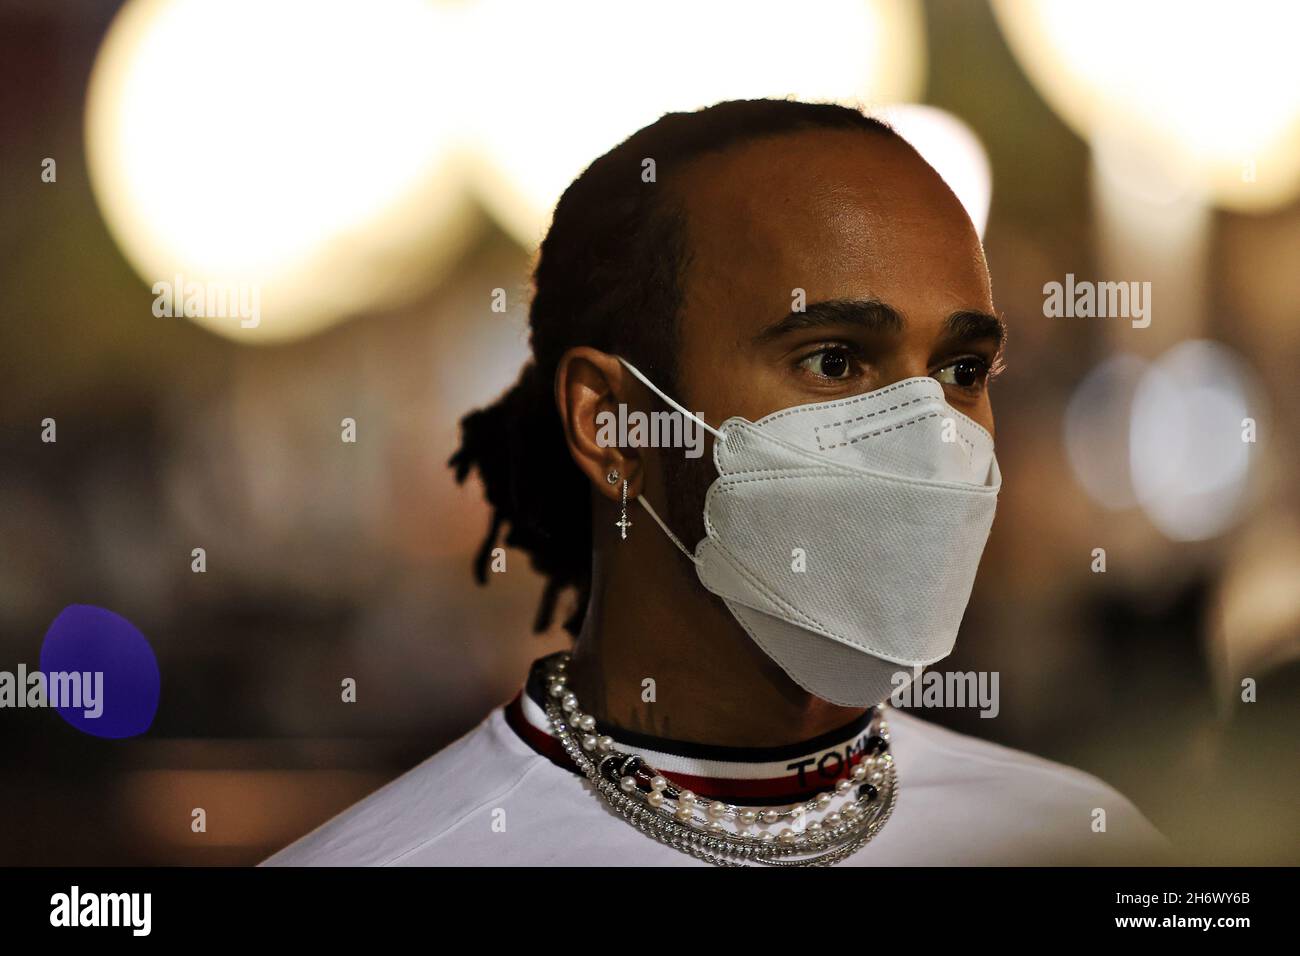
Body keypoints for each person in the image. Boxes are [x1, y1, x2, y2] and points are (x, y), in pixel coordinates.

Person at [262, 98, 1168, 867]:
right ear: (609, 424)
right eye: (836, 359)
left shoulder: (1076, 842)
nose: (931, 436)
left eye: (964, 371)